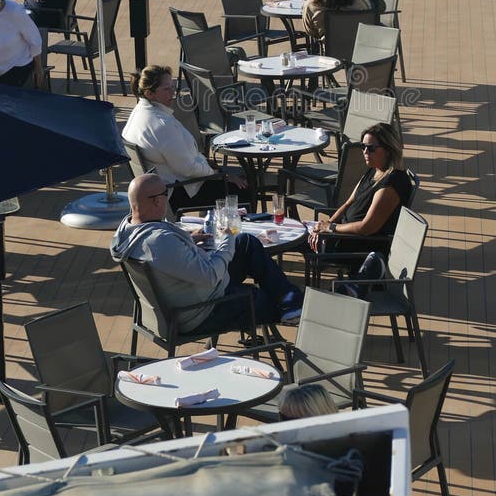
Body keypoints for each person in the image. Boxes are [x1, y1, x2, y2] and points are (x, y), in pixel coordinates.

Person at [111, 173, 303, 334]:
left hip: (187, 296)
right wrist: (227, 239)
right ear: (157, 200)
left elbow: (167, 255)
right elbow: (210, 275)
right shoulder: (159, 242)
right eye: (166, 192)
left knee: (245, 243)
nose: (167, 196)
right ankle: (290, 307)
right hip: (202, 311)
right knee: (265, 298)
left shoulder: (127, 230)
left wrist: (188, 239)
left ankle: (290, 302)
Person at [122, 65, 248, 213]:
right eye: (166, 89)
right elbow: (189, 169)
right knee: (244, 188)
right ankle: (239, 233)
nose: (173, 93)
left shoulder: (138, 113)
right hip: (177, 192)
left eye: (173, 86)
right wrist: (219, 175)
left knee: (234, 179)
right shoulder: (162, 125)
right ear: (150, 93)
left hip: (161, 187)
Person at [307, 122, 414, 257]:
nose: (365, 151)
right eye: (363, 146)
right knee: (297, 231)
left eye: (371, 148)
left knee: (296, 240)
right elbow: (347, 204)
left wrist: (331, 228)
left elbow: (366, 228)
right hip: (341, 234)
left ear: (388, 149)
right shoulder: (374, 170)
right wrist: (326, 226)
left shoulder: (392, 184)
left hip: (358, 245)